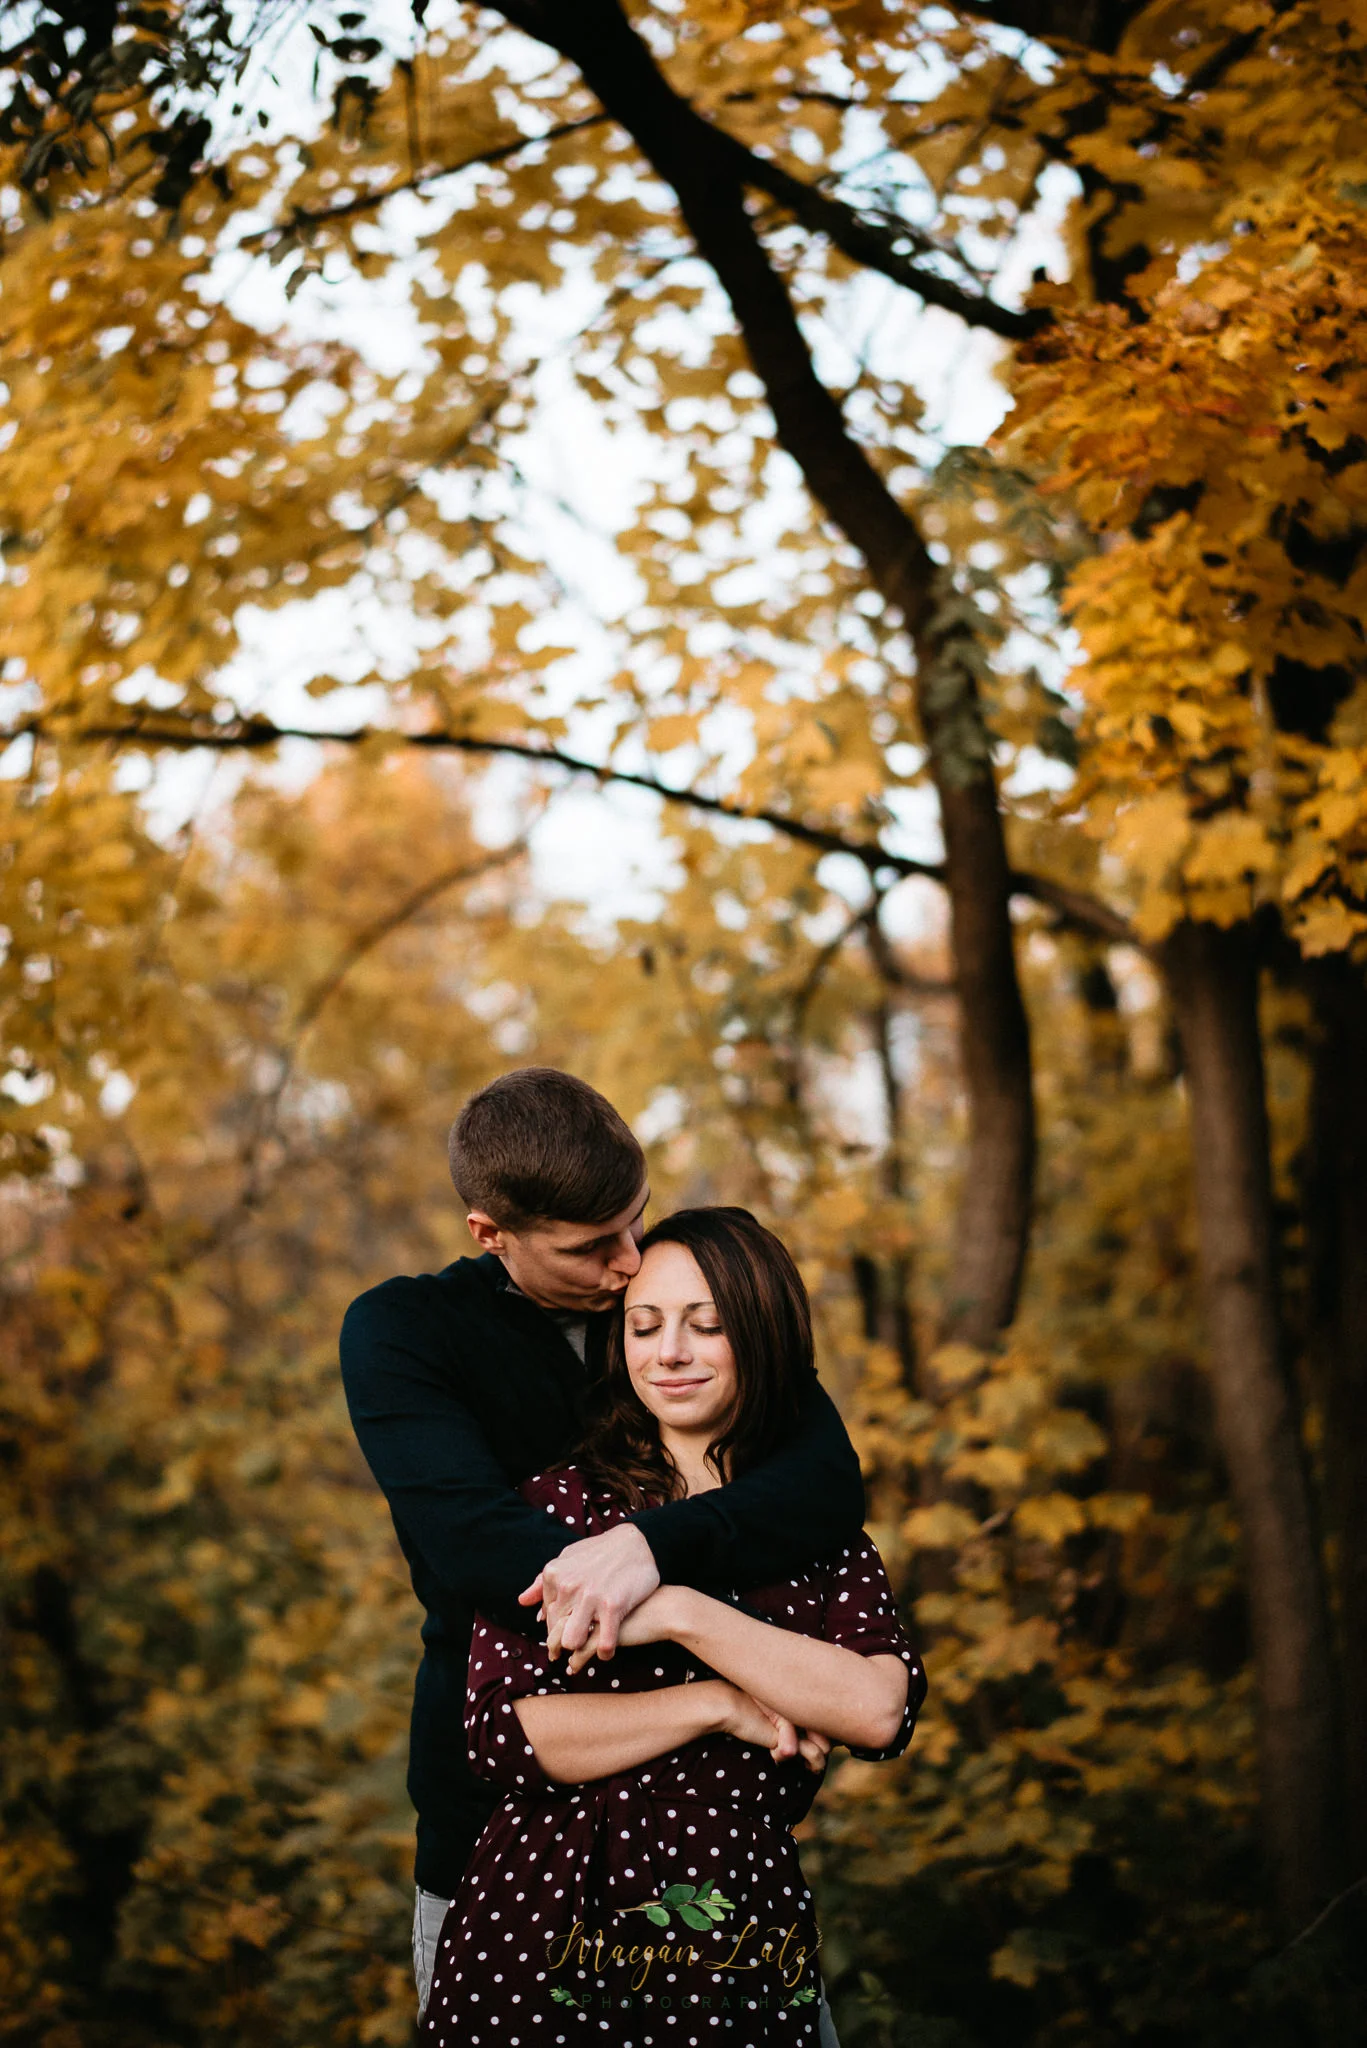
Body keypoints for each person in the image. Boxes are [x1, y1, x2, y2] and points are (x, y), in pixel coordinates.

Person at [339, 1070, 868, 2028]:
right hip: (503, 1828)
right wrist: (666, 1600)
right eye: (592, 1247)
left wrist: (646, 1547)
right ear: (488, 1233)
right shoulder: (406, 1332)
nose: (631, 1262)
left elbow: (824, 1488)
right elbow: (478, 1553)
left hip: (722, 1835)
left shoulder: (675, 1307)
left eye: (638, 1221)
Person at [420, 1206, 926, 2045]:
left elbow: (876, 1711)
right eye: (644, 1325)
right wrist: (719, 1703)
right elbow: (507, 1735)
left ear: (761, 1336)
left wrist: (682, 1611)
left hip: (738, 1920)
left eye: (708, 1325)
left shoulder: (815, 1524)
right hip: (546, 1918)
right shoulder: (560, 1508)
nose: (670, 1353)